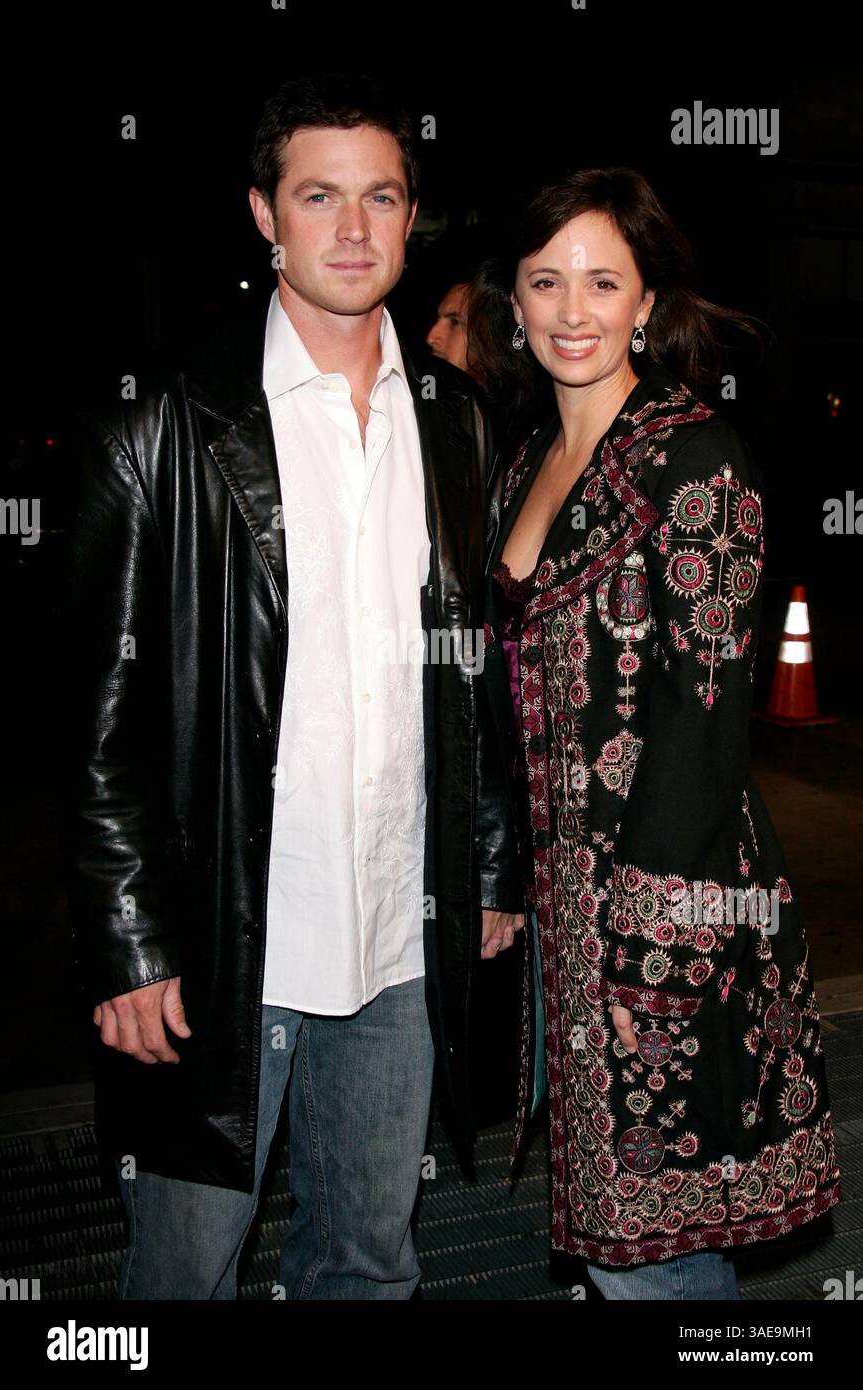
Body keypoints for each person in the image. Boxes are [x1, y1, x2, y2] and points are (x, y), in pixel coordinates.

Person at [62, 72, 523, 1301]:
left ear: (411, 212)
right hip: (225, 948)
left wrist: (483, 869)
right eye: (319, 196)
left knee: (369, 1263)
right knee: (183, 1276)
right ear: (265, 214)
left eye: (381, 196)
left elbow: (469, 669)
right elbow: (97, 722)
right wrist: (128, 943)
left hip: (396, 939)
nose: (355, 230)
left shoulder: (456, 421)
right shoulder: (167, 426)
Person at [468, 167, 842, 1300]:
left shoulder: (694, 457)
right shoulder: (524, 459)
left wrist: (647, 961)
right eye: (545, 282)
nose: (570, 311)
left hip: (658, 918)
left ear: (644, 303)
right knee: (602, 1237)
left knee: (653, 1256)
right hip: (556, 921)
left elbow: (704, 722)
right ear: (514, 303)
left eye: (600, 281)